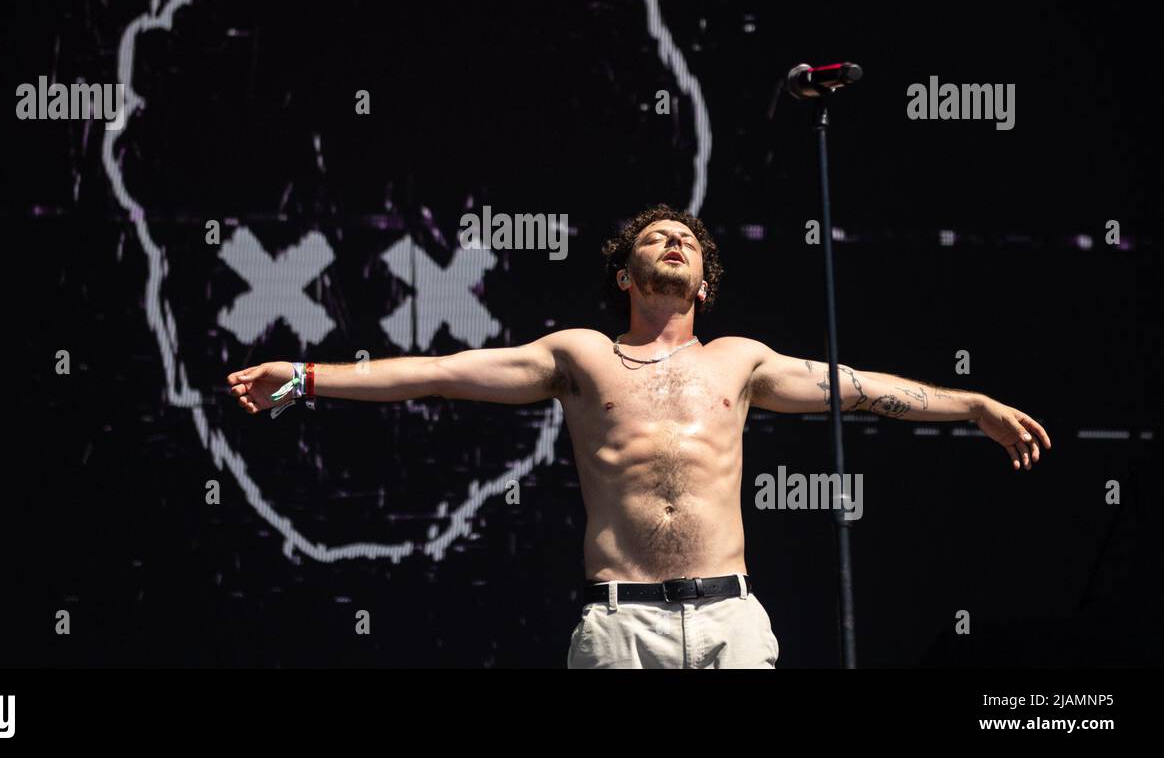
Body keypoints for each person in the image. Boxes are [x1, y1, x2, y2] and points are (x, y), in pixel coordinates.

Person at [226, 202, 1052, 668]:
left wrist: (969, 404)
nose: (676, 242)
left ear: (703, 280)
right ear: (626, 274)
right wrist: (304, 377)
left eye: (688, 241)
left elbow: (864, 390)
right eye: (658, 237)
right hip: (622, 628)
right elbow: (440, 370)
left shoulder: (741, 361)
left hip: (730, 620)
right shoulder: (578, 355)